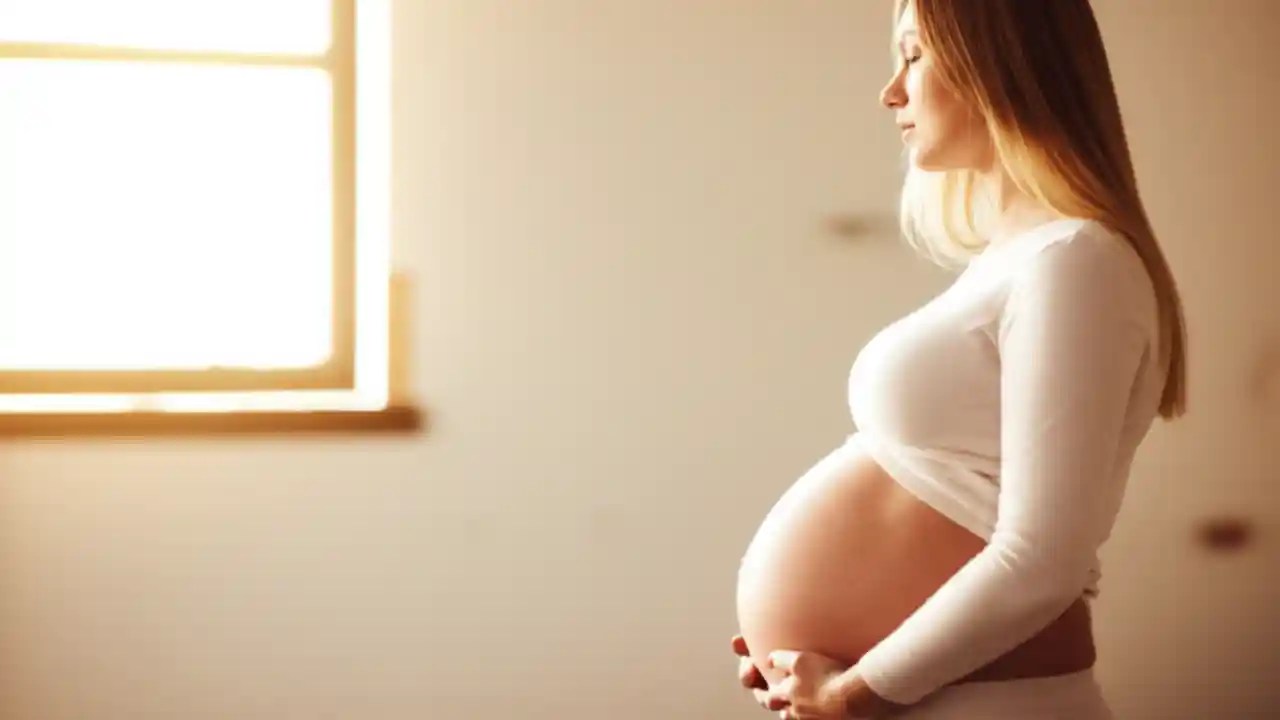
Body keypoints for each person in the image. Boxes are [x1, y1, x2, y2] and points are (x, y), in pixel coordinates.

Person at [730, 0, 1188, 717]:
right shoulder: (1017, 259)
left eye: (913, 55)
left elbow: (1042, 559)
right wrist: (810, 656)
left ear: (999, 62)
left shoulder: (1075, 260)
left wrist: (856, 690)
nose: (891, 91)